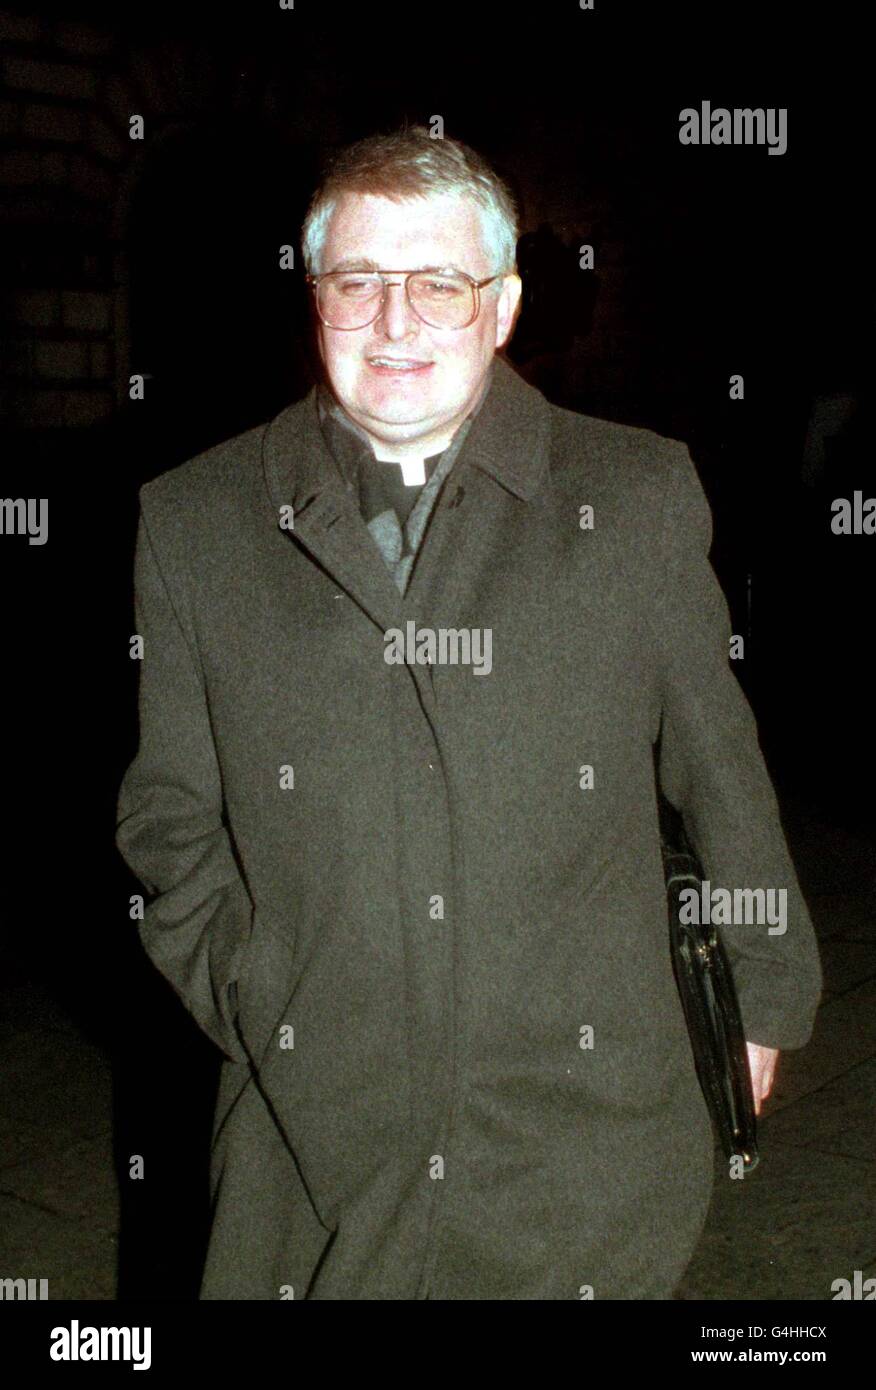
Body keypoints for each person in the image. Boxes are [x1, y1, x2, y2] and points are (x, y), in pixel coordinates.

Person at [115, 125, 822, 1300]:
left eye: (438, 285)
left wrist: (765, 996)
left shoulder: (633, 497)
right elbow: (167, 823)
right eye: (360, 283)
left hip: (584, 1139)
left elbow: (721, 769)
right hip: (313, 1154)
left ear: (501, 308)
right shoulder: (194, 524)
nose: (397, 324)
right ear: (317, 299)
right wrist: (262, 987)